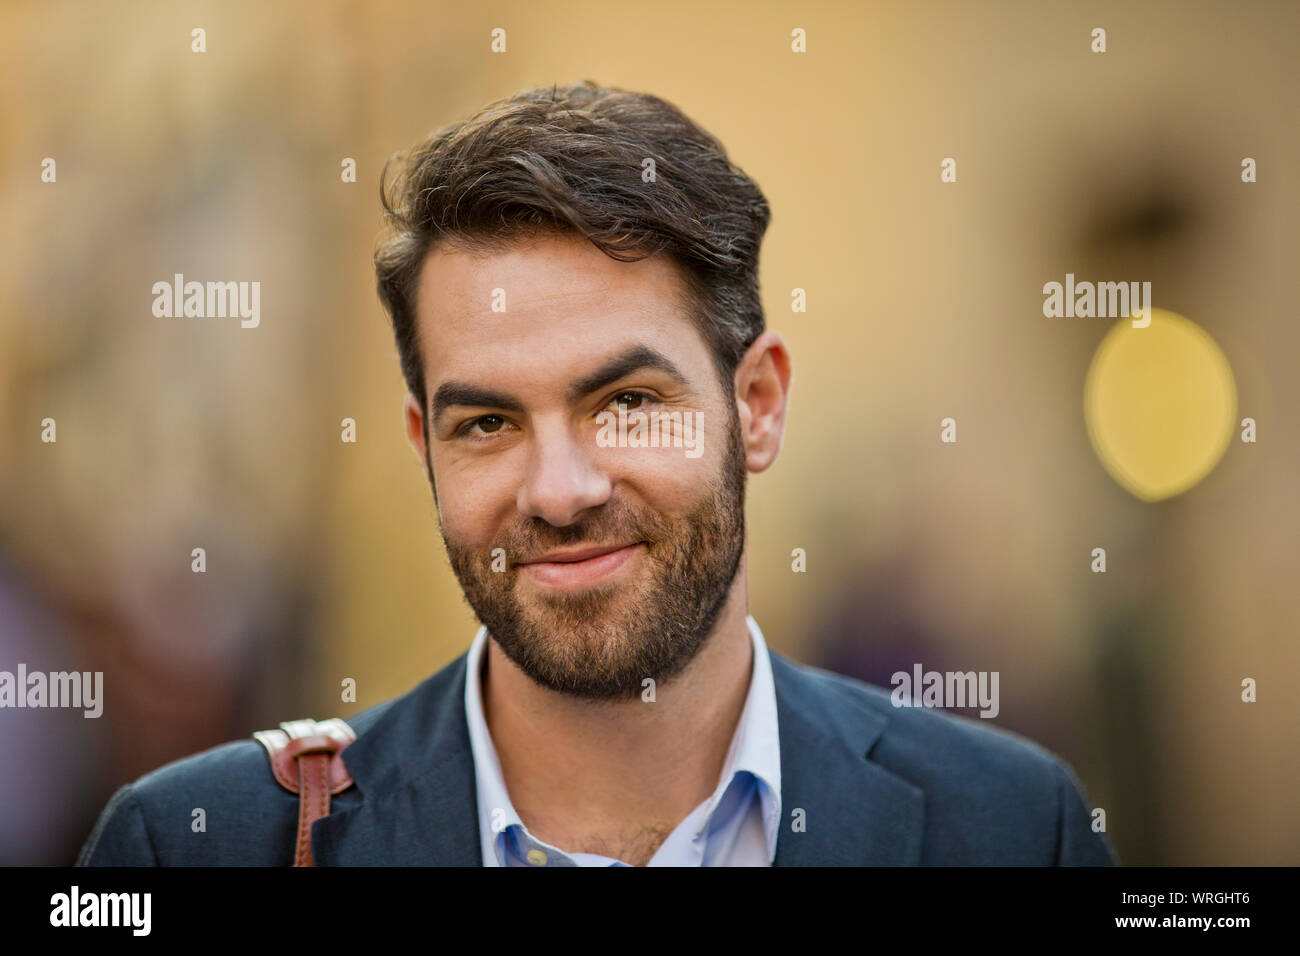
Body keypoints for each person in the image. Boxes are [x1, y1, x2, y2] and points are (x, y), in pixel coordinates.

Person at [78, 80, 1117, 867]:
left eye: (623, 402)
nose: (560, 489)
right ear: (423, 447)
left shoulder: (1013, 828)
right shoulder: (203, 843)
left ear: (755, 406)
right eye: (486, 421)